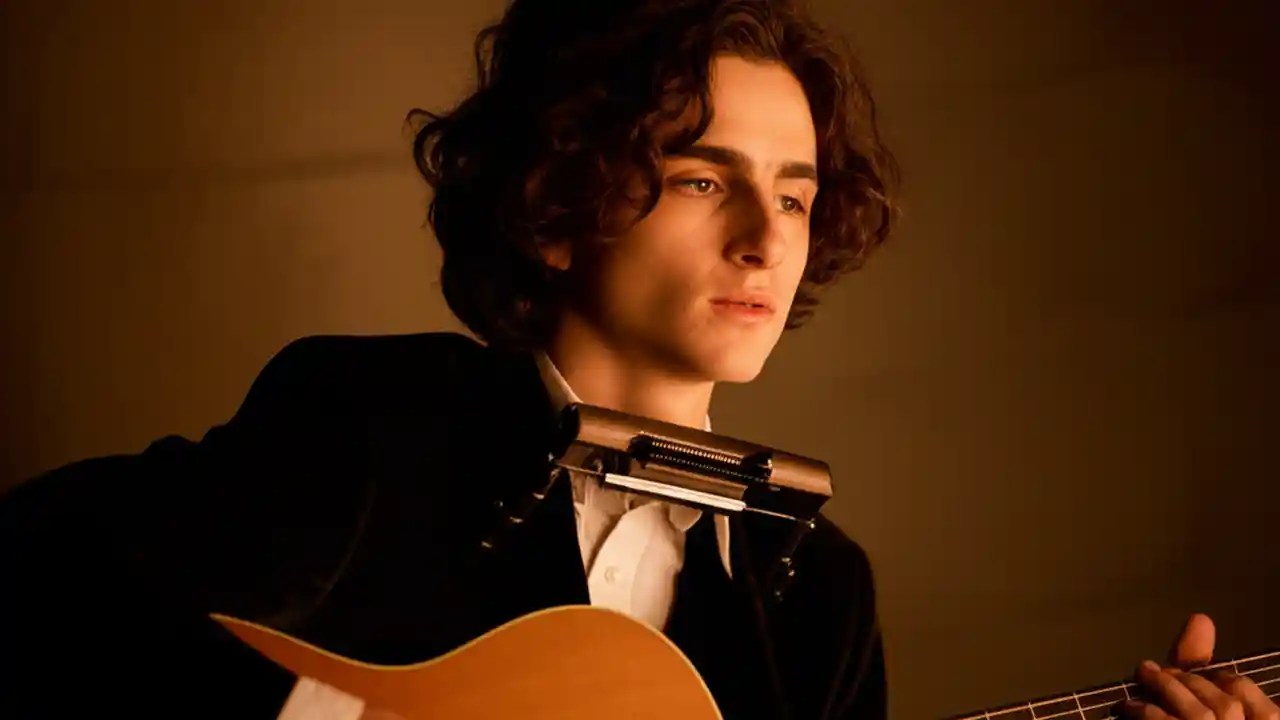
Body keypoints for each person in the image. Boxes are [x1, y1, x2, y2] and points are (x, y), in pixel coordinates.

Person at [0, 2, 1273, 720]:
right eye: (700, 176)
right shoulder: (375, 421)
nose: (761, 232)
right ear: (556, 209)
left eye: (793, 191)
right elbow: (49, 588)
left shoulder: (812, 590)